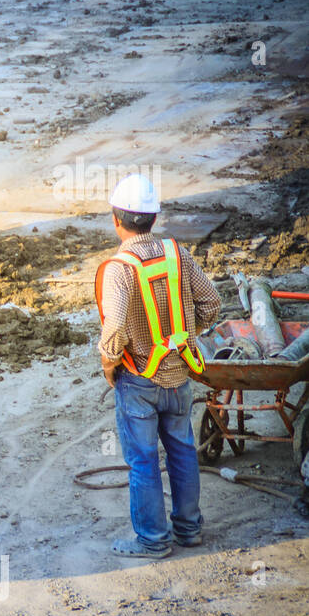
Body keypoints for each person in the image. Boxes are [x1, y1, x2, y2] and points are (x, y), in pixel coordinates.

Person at [95, 174, 221, 557]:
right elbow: (212, 304)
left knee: (144, 460)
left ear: (116, 220)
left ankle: (152, 539)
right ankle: (189, 530)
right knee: (182, 450)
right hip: (179, 376)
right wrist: (186, 334)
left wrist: (108, 360)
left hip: (138, 381)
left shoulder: (119, 268)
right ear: (153, 218)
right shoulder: (176, 254)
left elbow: (115, 326)